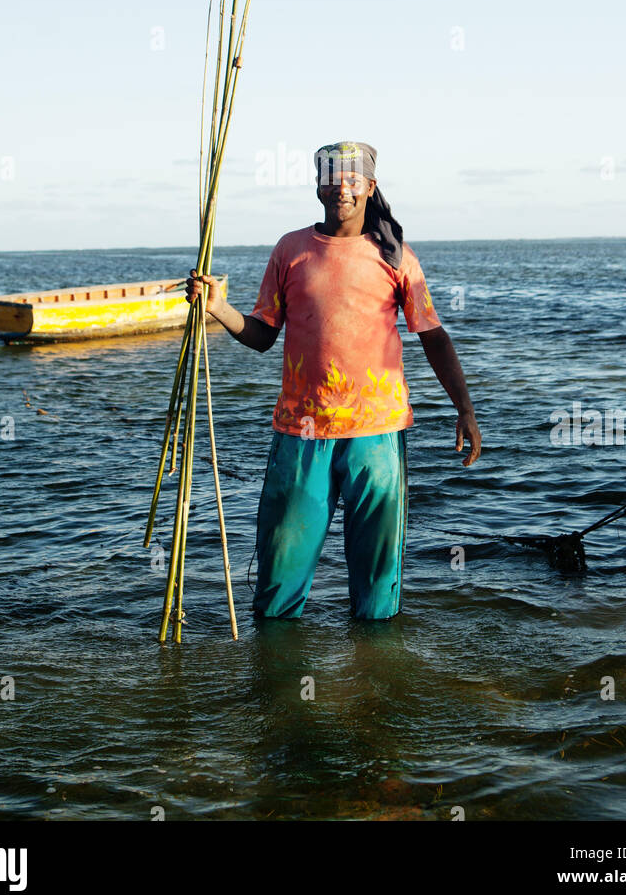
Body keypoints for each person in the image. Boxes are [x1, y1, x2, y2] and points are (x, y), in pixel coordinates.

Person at [186, 140, 481, 621]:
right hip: (301, 436)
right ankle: (276, 688)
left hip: (376, 437)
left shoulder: (395, 255)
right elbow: (262, 335)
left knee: (377, 591)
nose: (340, 188)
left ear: (369, 186)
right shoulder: (291, 249)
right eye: (331, 177)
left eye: (351, 178)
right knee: (278, 585)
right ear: (318, 185)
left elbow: (433, 336)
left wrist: (465, 410)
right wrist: (218, 308)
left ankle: (375, 685)